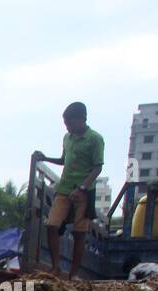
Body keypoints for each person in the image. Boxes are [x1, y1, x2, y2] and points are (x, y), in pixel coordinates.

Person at [33, 102, 104, 280]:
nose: (68, 127)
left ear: (82, 119)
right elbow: (64, 160)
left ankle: (73, 274)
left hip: (84, 192)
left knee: (79, 233)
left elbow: (97, 168)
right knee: (51, 224)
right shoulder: (67, 138)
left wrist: (82, 188)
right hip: (64, 188)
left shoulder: (95, 139)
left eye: (70, 123)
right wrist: (45, 158)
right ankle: (56, 267)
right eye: (66, 124)